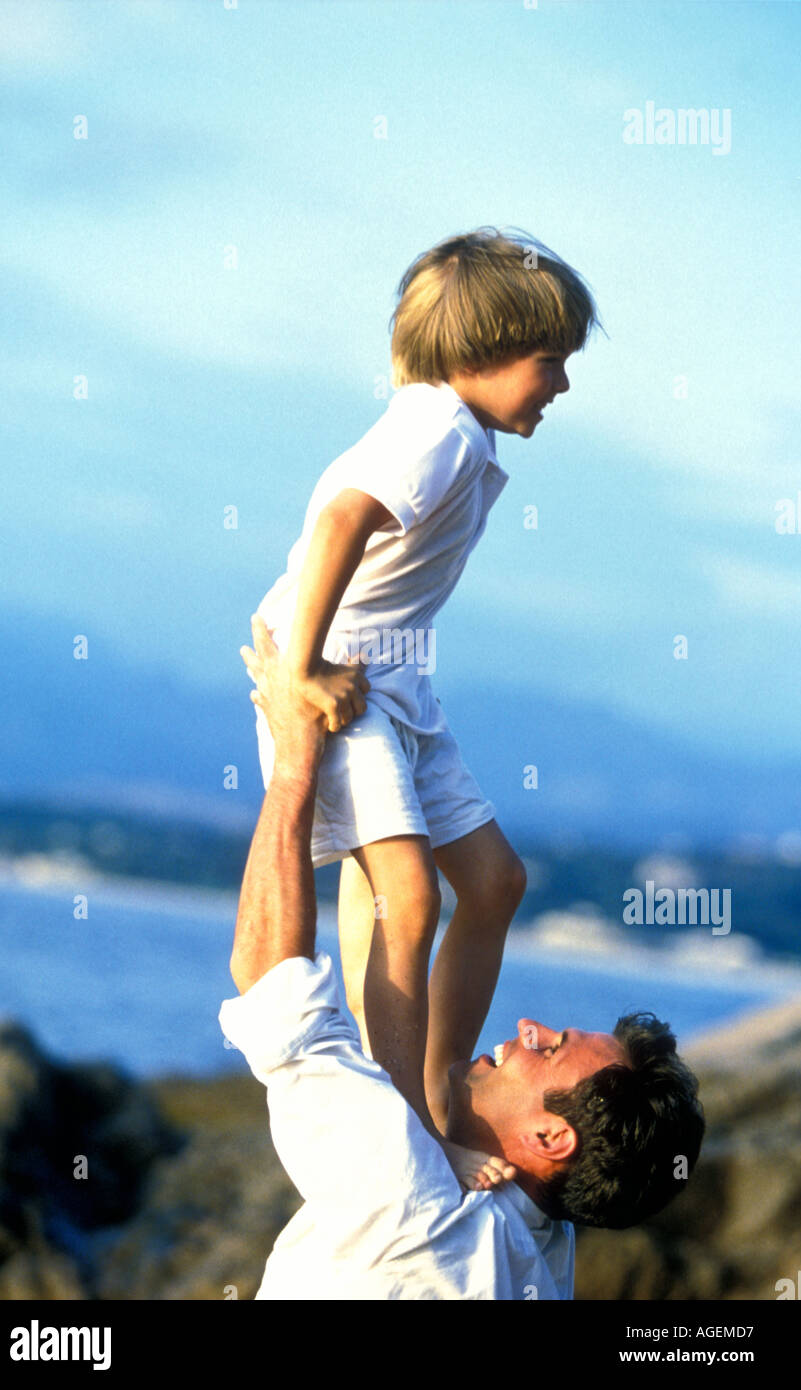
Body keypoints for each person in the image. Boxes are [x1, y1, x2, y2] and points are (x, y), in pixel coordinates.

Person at [250, 226, 602, 1189]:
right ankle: (413, 1126)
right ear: (475, 357)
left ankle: (440, 1083)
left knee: (493, 884)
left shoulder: (457, 430)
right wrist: (305, 670)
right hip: (346, 680)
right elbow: (338, 521)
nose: (562, 385)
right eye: (550, 362)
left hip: (400, 685)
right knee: (408, 896)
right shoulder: (434, 428)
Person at [218, 619, 705, 1301]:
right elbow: (409, 970)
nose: (529, 1027)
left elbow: (269, 976)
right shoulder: (541, 1245)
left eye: (551, 1048)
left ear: (550, 1137)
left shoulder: (415, 1206)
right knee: (474, 892)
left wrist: (297, 747)